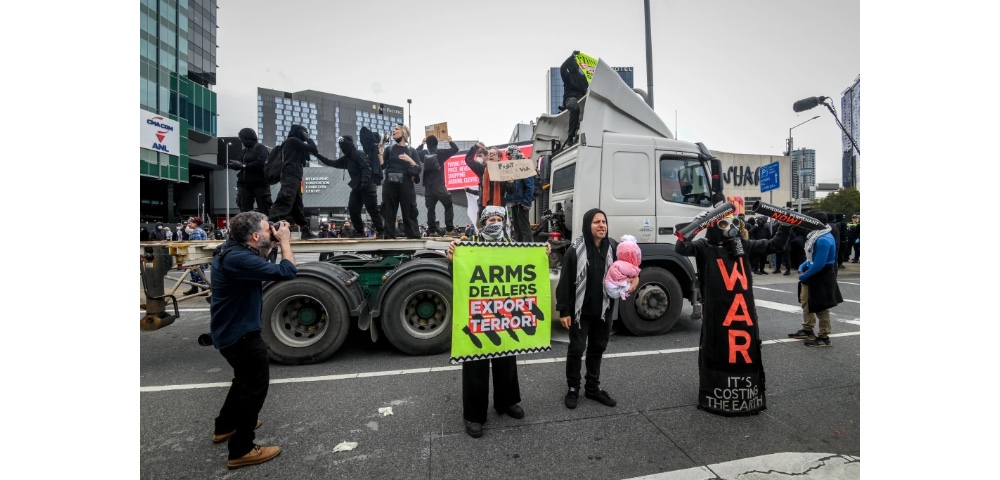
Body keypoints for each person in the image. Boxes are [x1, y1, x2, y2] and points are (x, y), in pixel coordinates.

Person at [445, 206, 551, 438]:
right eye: (490, 219)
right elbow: (459, 277)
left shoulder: (512, 245)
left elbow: (528, 266)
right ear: (482, 224)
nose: (495, 223)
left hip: (505, 314)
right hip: (479, 314)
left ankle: (507, 402)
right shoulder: (469, 245)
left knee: (507, 358)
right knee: (475, 364)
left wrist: (542, 254)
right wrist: (452, 259)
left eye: (499, 219)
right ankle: (474, 415)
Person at [675, 209, 791, 415]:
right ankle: (716, 389)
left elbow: (774, 245)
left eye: (734, 223)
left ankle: (744, 392)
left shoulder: (743, 245)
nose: (730, 228)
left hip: (741, 314)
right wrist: (696, 226)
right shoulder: (704, 246)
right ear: (713, 226)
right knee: (718, 346)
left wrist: (785, 226)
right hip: (717, 313)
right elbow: (682, 247)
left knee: (740, 351)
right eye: (723, 224)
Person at [209, 212, 296, 469]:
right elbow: (287, 272)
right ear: (255, 236)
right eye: (268, 230)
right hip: (241, 335)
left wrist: (270, 243)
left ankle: (225, 426)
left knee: (242, 380)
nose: (273, 231)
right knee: (254, 388)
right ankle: (242, 449)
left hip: (229, 332)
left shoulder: (231, 250)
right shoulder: (239, 258)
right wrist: (285, 242)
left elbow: (259, 262)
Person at [557, 208, 636, 409]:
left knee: (597, 348)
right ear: (587, 225)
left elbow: (630, 266)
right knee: (576, 350)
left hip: (603, 310)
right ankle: (573, 388)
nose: (602, 225)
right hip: (580, 312)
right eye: (596, 222)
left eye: (604, 222)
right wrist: (564, 311)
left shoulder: (613, 247)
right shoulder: (574, 251)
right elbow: (565, 282)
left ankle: (592, 388)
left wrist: (635, 278)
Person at [788, 212, 844, 348]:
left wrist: (804, 275)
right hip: (813, 273)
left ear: (816, 223)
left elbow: (820, 263)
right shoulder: (815, 236)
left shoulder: (824, 239)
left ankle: (824, 337)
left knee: (821, 306)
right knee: (806, 302)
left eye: (809, 221)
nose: (806, 224)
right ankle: (808, 329)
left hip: (822, 275)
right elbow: (812, 258)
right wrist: (803, 265)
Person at [317, 135, 385, 238]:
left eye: (344, 144)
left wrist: (364, 182)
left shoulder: (359, 154)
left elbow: (366, 168)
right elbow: (332, 163)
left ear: (349, 144)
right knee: (353, 208)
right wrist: (317, 155)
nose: (342, 147)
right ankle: (360, 232)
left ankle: (381, 232)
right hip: (357, 187)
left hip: (367, 185)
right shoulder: (347, 158)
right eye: (341, 145)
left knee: (372, 209)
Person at [269, 124, 318, 239]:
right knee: (285, 199)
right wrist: (308, 138)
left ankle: (305, 229)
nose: (305, 134)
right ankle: (271, 226)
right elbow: (313, 149)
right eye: (303, 132)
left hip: (295, 176)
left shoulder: (296, 144)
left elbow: (308, 156)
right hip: (290, 175)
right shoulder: (292, 140)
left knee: (297, 205)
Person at [378, 124, 422, 239]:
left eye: (396, 129)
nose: (393, 131)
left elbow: (418, 169)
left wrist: (410, 160)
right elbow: (382, 166)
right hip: (390, 184)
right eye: (393, 129)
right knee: (389, 212)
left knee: (409, 212)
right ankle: (389, 237)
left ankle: (413, 236)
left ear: (403, 133)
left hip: (406, 184)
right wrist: (381, 154)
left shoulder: (411, 151)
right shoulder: (389, 149)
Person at [418, 135, 459, 236]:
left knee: (430, 210)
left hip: (428, 187)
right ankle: (449, 230)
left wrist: (422, 144)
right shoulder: (441, 152)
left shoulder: (423, 153)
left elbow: (414, 152)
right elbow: (455, 149)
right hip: (439, 185)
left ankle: (432, 231)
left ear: (427, 144)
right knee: (448, 205)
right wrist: (450, 141)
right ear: (437, 143)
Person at [229, 128, 273, 214]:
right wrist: (235, 166)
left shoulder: (260, 148)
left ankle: (267, 222)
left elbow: (261, 163)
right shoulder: (244, 151)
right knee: (245, 211)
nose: (241, 141)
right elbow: (240, 164)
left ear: (245, 138)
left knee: (265, 209)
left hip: (260, 183)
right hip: (244, 184)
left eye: (241, 139)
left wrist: (244, 166)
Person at [503, 145, 535, 243]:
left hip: (521, 202)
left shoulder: (524, 164)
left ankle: (529, 248)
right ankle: (519, 247)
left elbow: (530, 185)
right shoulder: (512, 166)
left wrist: (526, 203)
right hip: (514, 201)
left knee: (524, 227)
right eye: (506, 154)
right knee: (517, 228)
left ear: (515, 152)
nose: (507, 156)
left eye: (509, 154)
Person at [560, 51, 589, 146]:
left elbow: (586, 89)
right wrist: (571, 57)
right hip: (570, 98)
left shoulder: (583, 78)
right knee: (575, 107)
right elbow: (562, 68)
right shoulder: (567, 76)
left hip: (581, 98)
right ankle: (571, 136)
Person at [604, 235, 641, 300]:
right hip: (610, 288)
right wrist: (634, 277)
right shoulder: (625, 265)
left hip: (608, 290)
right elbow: (632, 271)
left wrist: (636, 278)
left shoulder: (612, 245)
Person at [183, 216, 210, 295]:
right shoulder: (198, 230)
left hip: (196, 255)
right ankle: (196, 288)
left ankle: (203, 289)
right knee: (196, 272)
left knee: (197, 272)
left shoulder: (196, 231)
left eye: (190, 223)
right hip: (198, 255)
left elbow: (196, 244)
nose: (189, 224)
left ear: (196, 223)